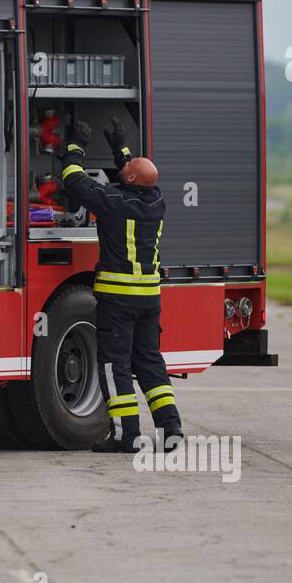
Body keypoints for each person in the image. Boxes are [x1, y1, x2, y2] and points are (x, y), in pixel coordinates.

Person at [58, 121, 184, 453]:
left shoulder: (114, 203)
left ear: (128, 179)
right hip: (149, 299)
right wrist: (121, 149)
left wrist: (76, 146)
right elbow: (134, 177)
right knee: (150, 362)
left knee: (117, 366)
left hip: (118, 299)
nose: (125, 165)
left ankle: (127, 436)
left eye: (126, 165)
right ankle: (171, 428)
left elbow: (73, 179)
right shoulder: (156, 200)